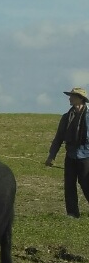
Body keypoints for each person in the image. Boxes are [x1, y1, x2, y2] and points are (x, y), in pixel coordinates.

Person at [45, 86, 89, 218]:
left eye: (72, 96)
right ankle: (72, 213)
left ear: (80, 99)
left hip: (86, 156)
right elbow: (58, 138)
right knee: (69, 185)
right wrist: (51, 156)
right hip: (70, 155)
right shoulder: (65, 117)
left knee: (86, 183)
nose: (69, 98)